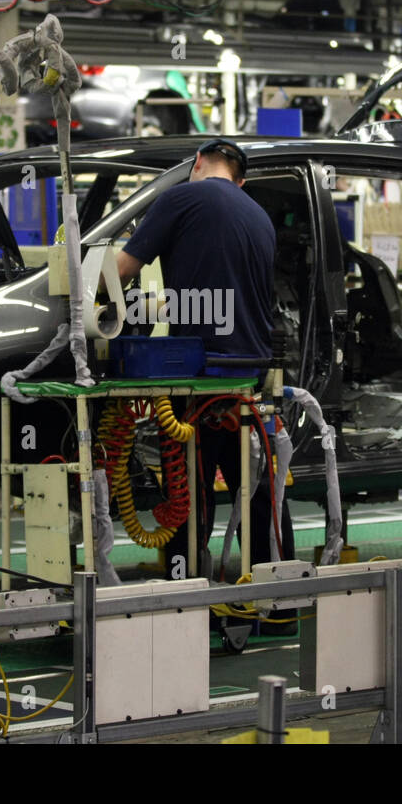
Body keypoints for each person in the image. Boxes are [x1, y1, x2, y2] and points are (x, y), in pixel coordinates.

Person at [115, 138, 293, 572]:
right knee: (255, 489)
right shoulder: (259, 216)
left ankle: (186, 592)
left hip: (197, 374)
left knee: (188, 489)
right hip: (248, 375)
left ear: (197, 164)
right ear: (240, 178)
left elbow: (119, 272)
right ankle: (281, 597)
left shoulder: (180, 197)